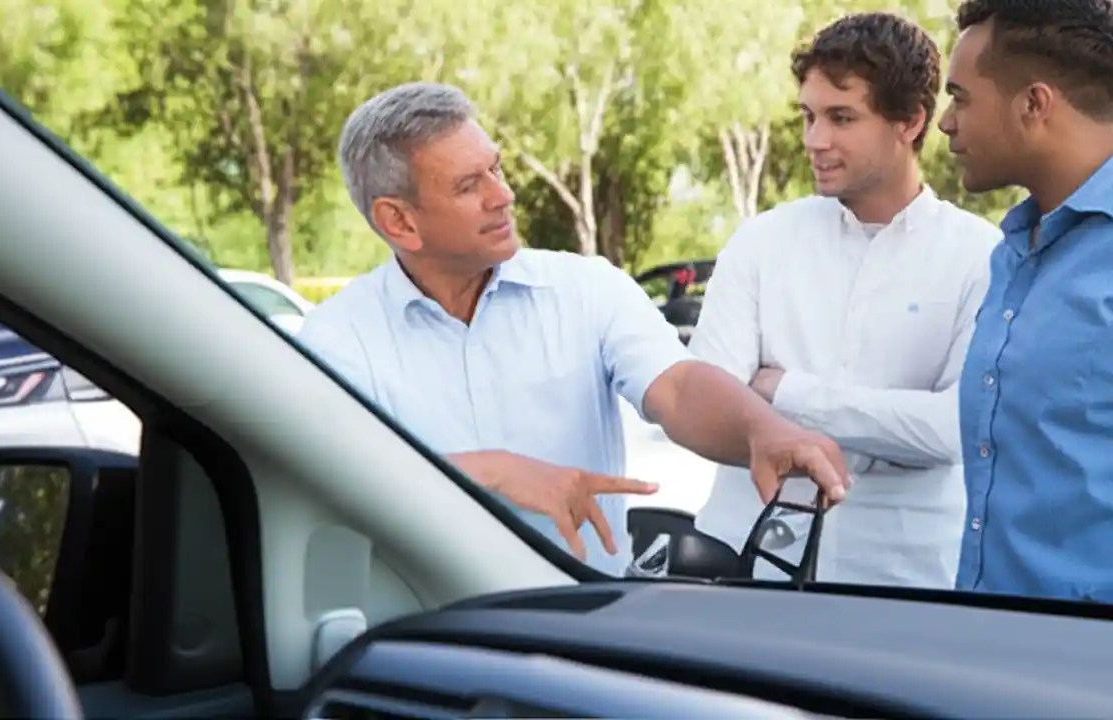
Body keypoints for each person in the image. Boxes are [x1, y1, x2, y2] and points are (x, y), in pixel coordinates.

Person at [296, 82, 850, 576]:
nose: (503, 195)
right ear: (399, 221)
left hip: (584, 629)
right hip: (431, 644)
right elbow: (324, 485)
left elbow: (677, 388)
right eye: (469, 185)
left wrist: (762, 430)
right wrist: (488, 472)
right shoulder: (335, 343)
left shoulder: (585, 289)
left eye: (497, 168)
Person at [688, 12, 1000, 588]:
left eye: (841, 118)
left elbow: (953, 431)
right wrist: (890, 430)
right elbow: (710, 402)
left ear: (910, 121)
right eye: (808, 117)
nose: (815, 140)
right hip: (748, 564)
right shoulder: (762, 242)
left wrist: (785, 392)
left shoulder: (981, 256)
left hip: (904, 578)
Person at [939, 0, 1113, 601]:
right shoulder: (1013, 249)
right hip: (991, 644)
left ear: (1034, 104)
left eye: (960, 97)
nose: (945, 122)